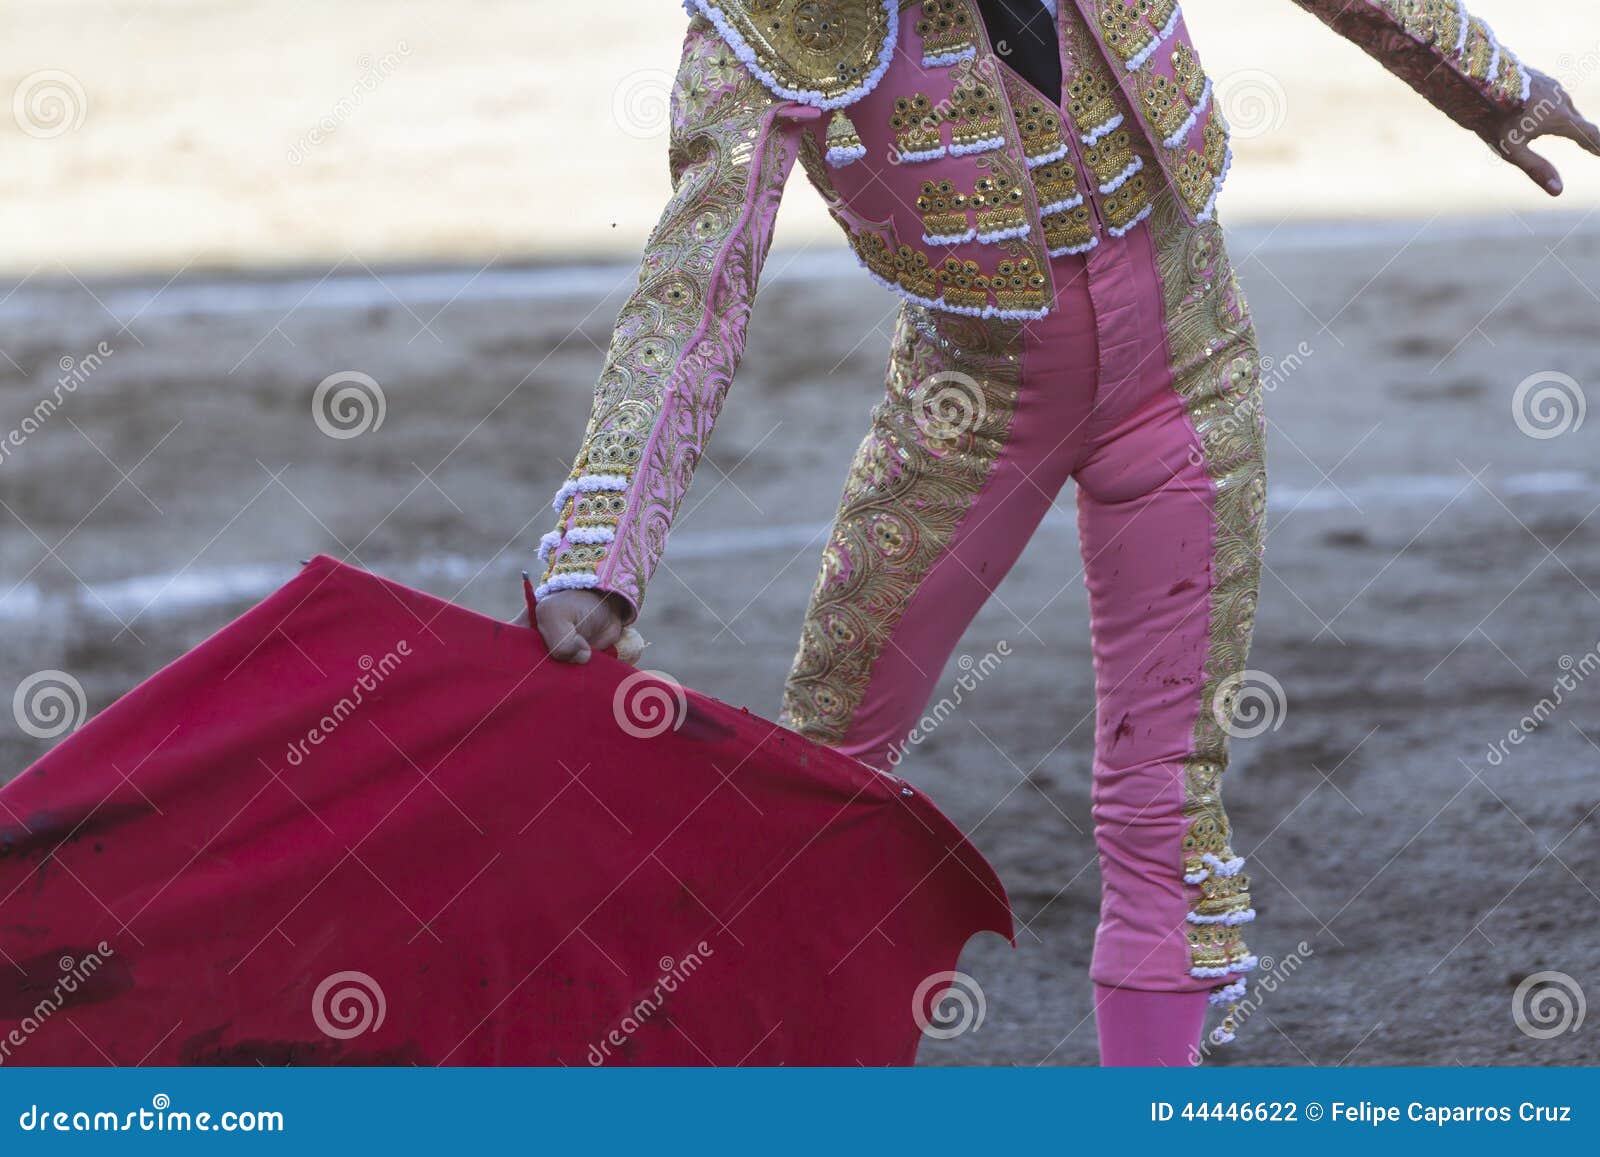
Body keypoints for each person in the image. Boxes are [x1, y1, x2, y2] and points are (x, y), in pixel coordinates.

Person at [530, 0, 1599, 1064]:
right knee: (824, 773)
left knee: (1165, 799)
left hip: (1189, 365)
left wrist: (1489, 82)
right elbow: (694, 289)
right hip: (971, 413)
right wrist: (599, 550)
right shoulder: (771, 19)